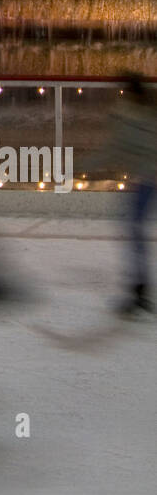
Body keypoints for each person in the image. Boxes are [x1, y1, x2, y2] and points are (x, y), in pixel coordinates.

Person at [103, 75, 157, 316]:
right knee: (134, 230)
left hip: (148, 181)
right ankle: (139, 288)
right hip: (146, 181)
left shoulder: (133, 117)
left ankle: (139, 289)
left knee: (134, 230)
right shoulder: (145, 112)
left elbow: (115, 149)